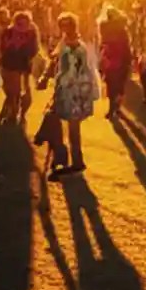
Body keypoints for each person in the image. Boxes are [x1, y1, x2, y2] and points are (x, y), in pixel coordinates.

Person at [37, 13, 98, 178]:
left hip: (75, 92)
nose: (65, 29)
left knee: (70, 126)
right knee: (55, 122)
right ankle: (62, 158)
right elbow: (55, 61)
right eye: (62, 26)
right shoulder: (64, 43)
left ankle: (72, 161)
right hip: (64, 90)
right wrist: (45, 76)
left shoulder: (78, 48)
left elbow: (79, 72)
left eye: (68, 26)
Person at [0, 11, 39, 125]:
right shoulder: (7, 32)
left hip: (22, 66)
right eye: (19, 23)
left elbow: (34, 50)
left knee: (23, 92)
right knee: (10, 92)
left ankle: (18, 114)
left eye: (24, 23)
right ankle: (11, 113)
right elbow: (2, 48)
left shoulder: (31, 34)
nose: (22, 26)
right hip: (8, 65)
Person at [98, 6, 133, 120]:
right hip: (118, 60)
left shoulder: (105, 27)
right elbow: (126, 45)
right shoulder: (120, 28)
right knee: (117, 86)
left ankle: (114, 108)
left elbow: (102, 44)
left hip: (112, 60)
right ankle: (115, 107)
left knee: (112, 85)